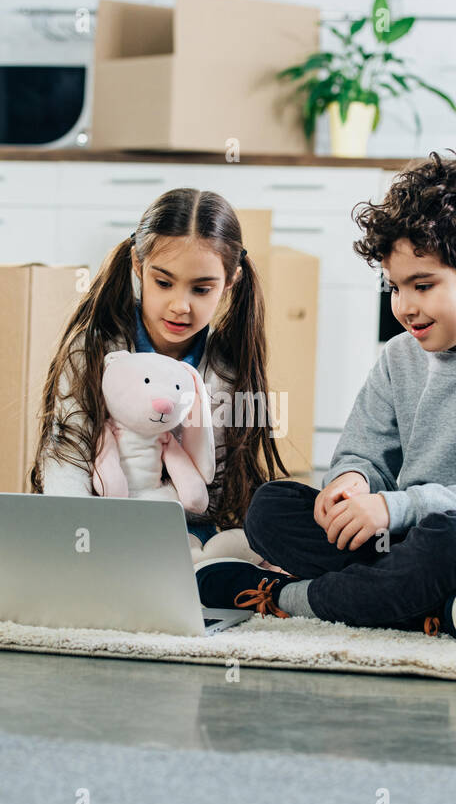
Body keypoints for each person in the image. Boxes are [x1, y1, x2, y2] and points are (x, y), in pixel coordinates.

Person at [196, 149, 456, 642]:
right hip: (404, 540)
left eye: (422, 285)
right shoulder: (401, 357)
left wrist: (392, 508)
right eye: (394, 288)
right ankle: (435, 610)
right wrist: (352, 483)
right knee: (270, 508)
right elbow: (363, 451)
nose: (405, 307)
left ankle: (285, 598)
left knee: (455, 538)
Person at [30, 187, 289, 551]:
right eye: (163, 283)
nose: (180, 306)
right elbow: (66, 459)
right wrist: (77, 534)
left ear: (230, 282)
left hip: (181, 528)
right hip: (93, 524)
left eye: (201, 289)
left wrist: (157, 510)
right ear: (138, 265)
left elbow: (210, 495)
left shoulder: (227, 373)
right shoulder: (92, 350)